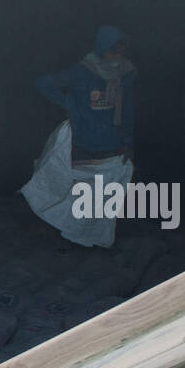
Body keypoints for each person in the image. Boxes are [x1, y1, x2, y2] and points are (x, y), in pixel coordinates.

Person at [22, 25, 137, 248]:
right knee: (74, 191)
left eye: (121, 51)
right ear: (103, 49)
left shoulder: (125, 74)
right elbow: (43, 83)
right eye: (114, 50)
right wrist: (70, 104)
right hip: (84, 143)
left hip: (112, 145)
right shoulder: (82, 72)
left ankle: (89, 238)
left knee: (104, 196)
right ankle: (67, 234)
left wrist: (128, 141)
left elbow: (128, 110)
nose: (118, 55)